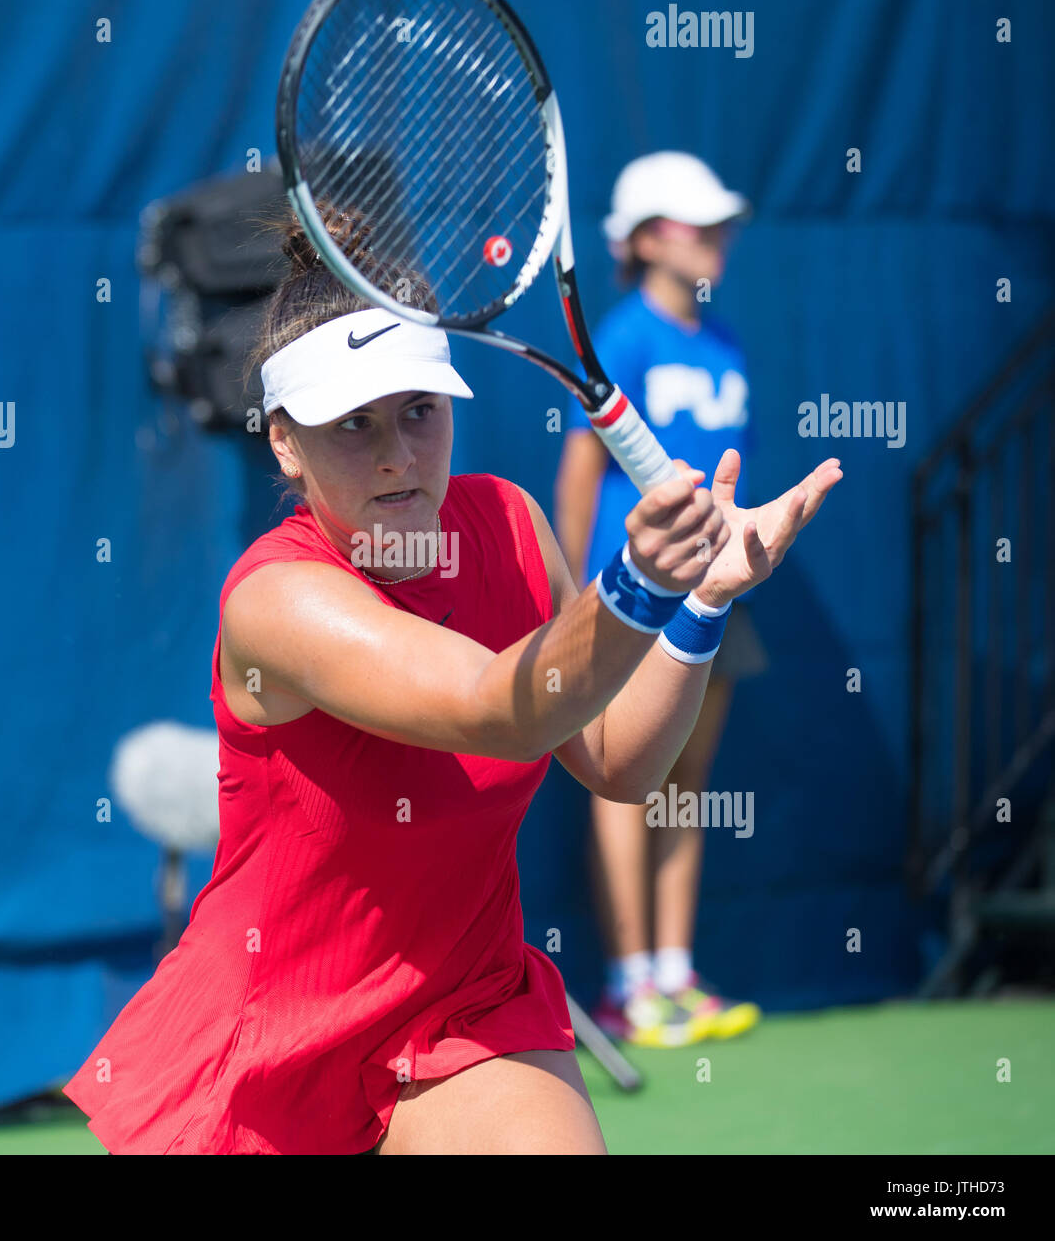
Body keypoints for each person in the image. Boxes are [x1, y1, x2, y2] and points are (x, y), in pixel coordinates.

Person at [62, 206, 840, 1154]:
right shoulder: (278, 601)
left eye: (419, 412)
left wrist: (703, 602)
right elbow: (494, 710)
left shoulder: (507, 525)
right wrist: (638, 585)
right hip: (270, 1035)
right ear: (282, 443)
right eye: (352, 424)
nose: (396, 452)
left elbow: (616, 763)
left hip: (465, 1012)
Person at [554, 150, 767, 1047]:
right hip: (628, 600)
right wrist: (569, 595)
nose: (715, 237)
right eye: (694, 222)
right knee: (622, 786)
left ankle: (676, 975)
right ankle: (629, 987)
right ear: (644, 240)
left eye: (720, 221)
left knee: (687, 786)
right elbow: (579, 470)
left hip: (714, 599)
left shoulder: (725, 344)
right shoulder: (625, 338)